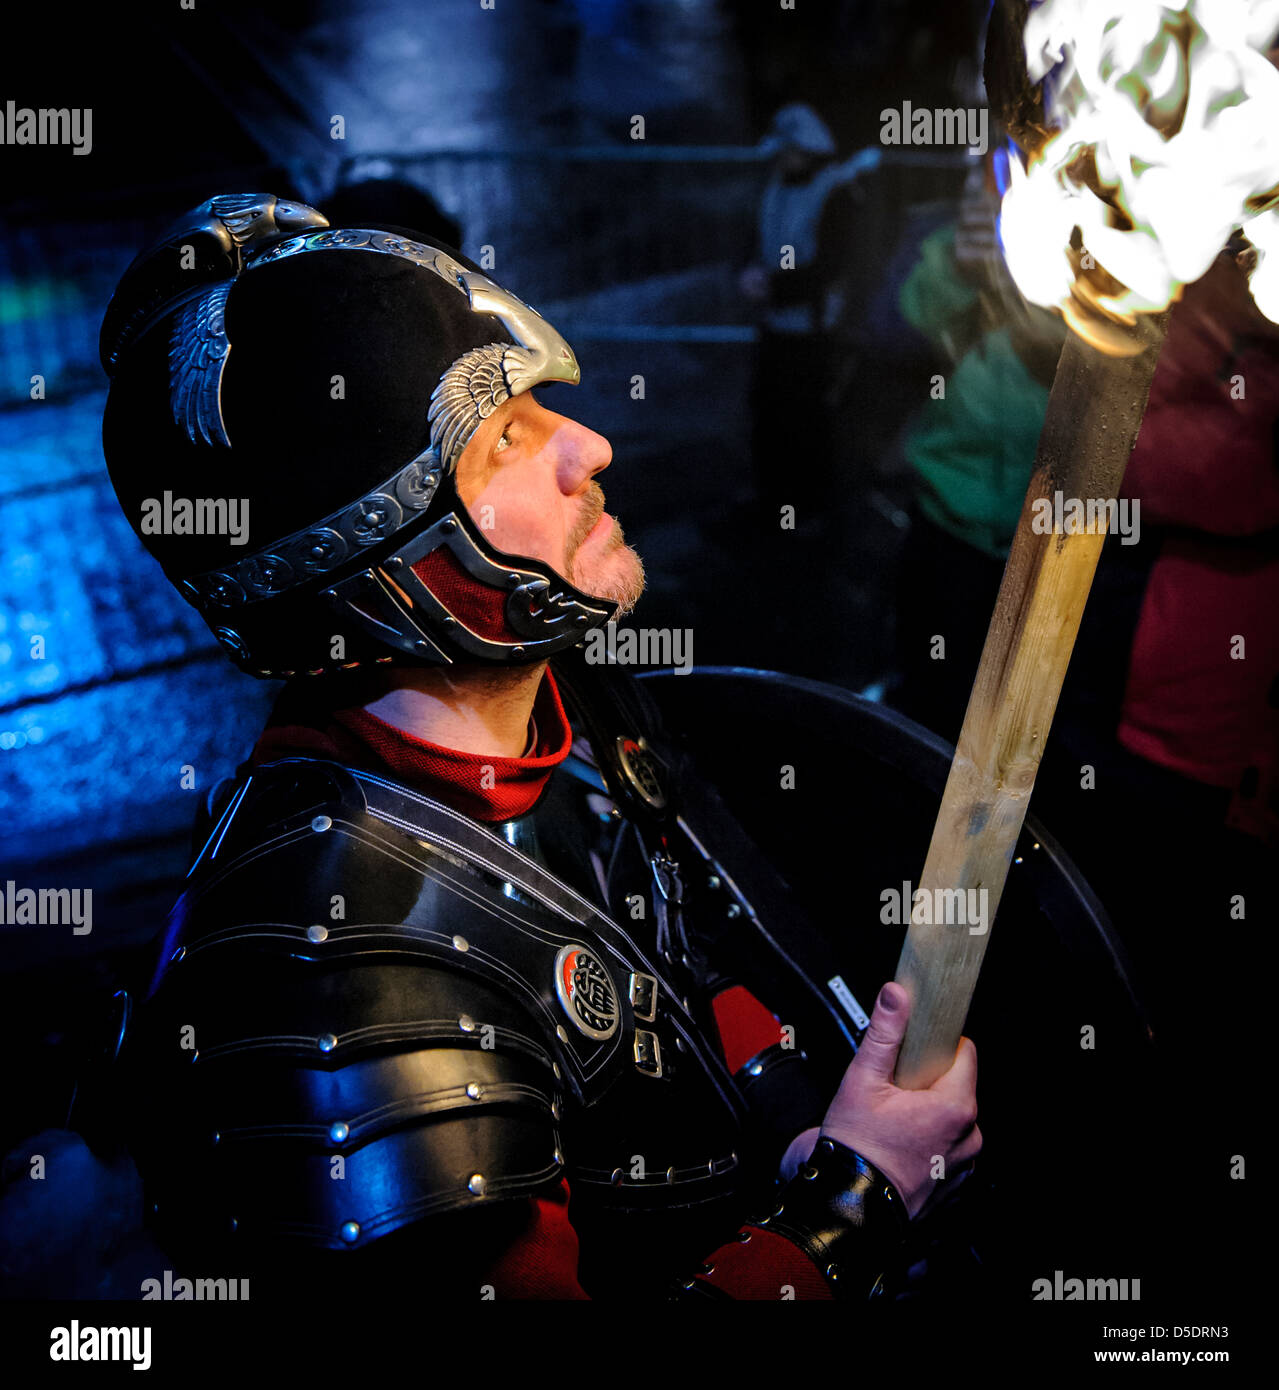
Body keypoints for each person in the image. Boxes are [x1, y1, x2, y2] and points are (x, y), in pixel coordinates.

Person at [85, 192, 980, 1301]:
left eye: (537, 404)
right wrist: (849, 1208)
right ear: (375, 562)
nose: (589, 444)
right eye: (501, 438)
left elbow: (677, 959)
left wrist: (796, 1119)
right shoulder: (337, 981)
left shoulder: (570, 709)